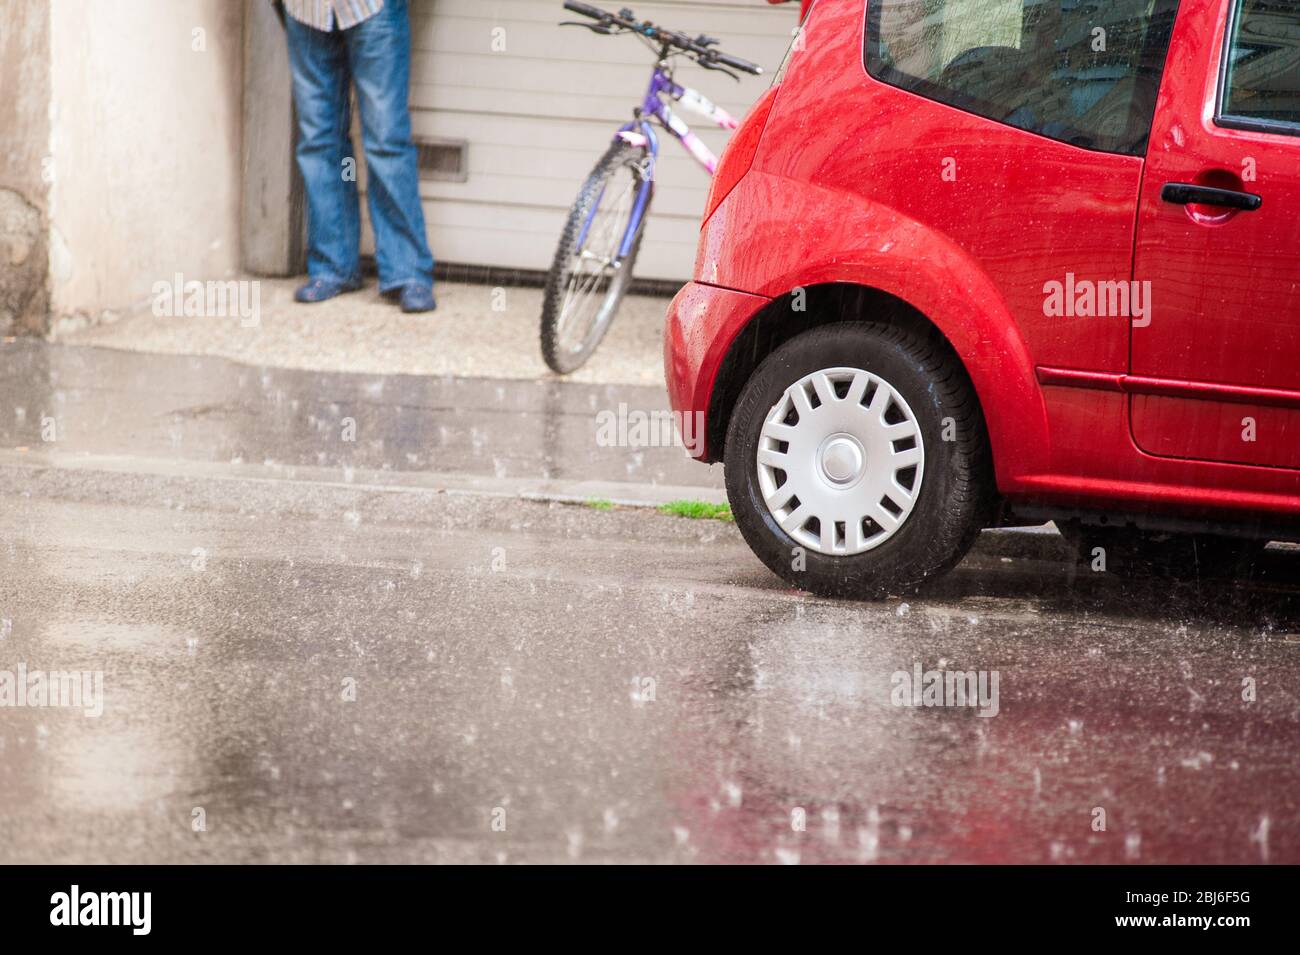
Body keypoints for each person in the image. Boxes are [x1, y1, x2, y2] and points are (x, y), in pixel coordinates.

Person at [279, 0, 437, 312]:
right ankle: (333, 267)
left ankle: (407, 272)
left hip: (372, 8)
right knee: (319, 141)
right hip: (304, 9)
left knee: (386, 140)